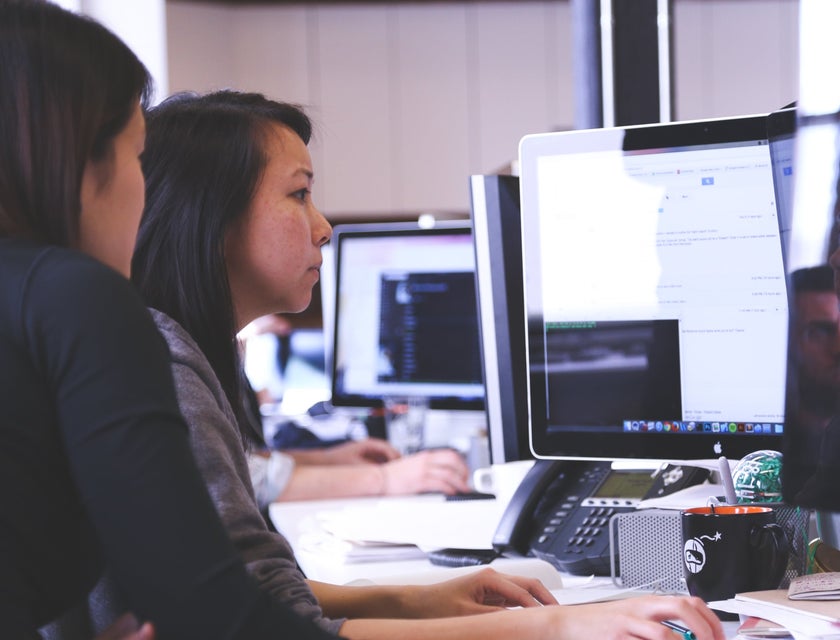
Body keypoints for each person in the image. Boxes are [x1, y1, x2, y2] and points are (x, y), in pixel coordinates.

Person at [130, 89, 726, 640]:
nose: (323, 228)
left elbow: (260, 598)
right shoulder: (164, 369)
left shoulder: (185, 356)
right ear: (211, 216)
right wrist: (556, 627)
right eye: (299, 194)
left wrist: (420, 599)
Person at [0, 3, 339, 639]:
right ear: (77, 162)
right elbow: (214, 613)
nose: (145, 189)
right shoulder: (75, 299)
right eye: (134, 155)